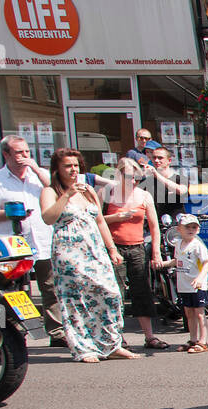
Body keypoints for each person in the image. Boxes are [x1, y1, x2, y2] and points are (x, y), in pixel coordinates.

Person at [39, 149, 140, 363]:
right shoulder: (51, 191)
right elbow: (48, 218)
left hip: (95, 250)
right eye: (68, 166)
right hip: (68, 252)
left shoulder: (87, 190)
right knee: (76, 300)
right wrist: (66, 195)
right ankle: (83, 348)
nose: (73, 170)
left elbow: (100, 220)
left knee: (110, 294)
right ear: (57, 169)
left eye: (76, 165)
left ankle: (111, 344)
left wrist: (112, 248)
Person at [0, 134, 63, 346]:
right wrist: (11, 215)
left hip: (41, 240)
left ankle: (57, 331)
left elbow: (56, 190)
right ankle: (13, 334)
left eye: (26, 152)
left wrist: (35, 168)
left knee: (49, 287)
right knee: (10, 289)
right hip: (10, 245)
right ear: (6, 154)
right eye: (19, 153)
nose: (24, 156)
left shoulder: (39, 175)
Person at [103, 157, 168, 351]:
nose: (133, 181)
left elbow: (155, 226)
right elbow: (96, 220)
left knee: (142, 291)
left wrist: (156, 252)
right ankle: (117, 338)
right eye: (129, 177)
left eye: (137, 178)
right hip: (115, 247)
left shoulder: (144, 196)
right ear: (119, 174)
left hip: (137, 247)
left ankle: (149, 336)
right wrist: (116, 217)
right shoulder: (107, 193)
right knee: (116, 293)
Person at [166, 213, 208, 353]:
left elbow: (206, 264)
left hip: (197, 286)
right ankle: (193, 339)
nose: (191, 230)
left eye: (194, 227)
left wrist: (199, 279)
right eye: (187, 227)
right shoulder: (178, 244)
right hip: (184, 285)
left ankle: (203, 341)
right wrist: (163, 264)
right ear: (179, 229)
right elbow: (177, 260)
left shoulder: (198, 245)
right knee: (189, 313)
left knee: (199, 313)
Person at [139, 145, 193, 222]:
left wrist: (157, 175)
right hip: (156, 223)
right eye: (154, 158)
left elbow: (181, 191)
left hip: (177, 224)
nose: (156, 160)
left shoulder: (180, 178)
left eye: (160, 158)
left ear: (169, 161)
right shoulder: (147, 181)